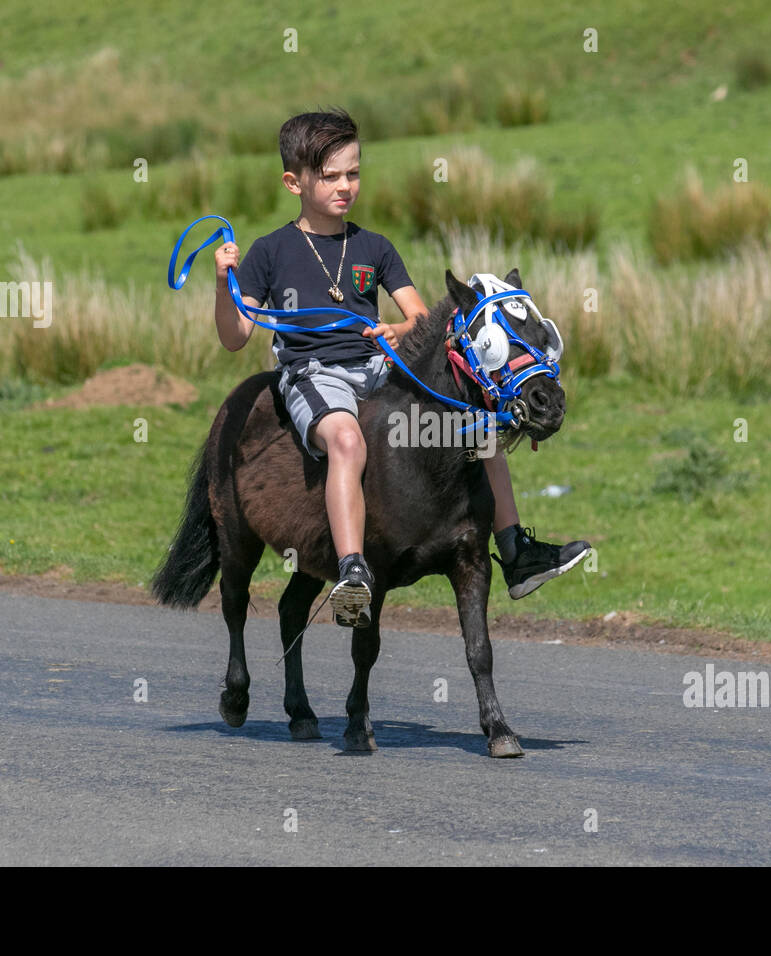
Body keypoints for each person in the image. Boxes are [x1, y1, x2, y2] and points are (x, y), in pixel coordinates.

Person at [213, 107, 590, 627]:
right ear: (293, 182)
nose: (345, 186)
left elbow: (419, 317)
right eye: (330, 176)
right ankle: (352, 575)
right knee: (346, 441)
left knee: (478, 429)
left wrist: (397, 330)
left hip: (378, 369)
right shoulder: (269, 252)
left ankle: (516, 552)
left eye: (354, 173)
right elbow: (235, 337)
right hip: (314, 376)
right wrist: (223, 283)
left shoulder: (374, 246)